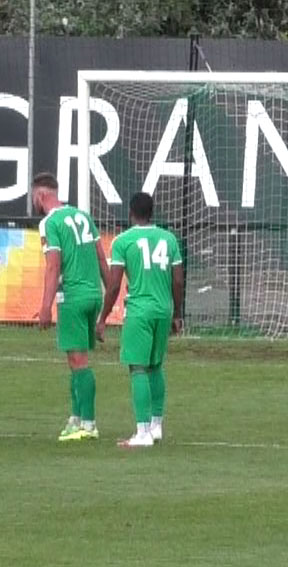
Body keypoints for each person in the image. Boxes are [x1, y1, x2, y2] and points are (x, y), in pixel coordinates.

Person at [101, 192, 184, 449]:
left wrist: (102, 317)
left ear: (131, 213)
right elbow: (178, 280)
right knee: (156, 365)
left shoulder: (123, 241)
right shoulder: (169, 238)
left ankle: (142, 433)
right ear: (152, 212)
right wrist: (177, 313)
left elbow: (114, 286)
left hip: (139, 310)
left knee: (137, 368)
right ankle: (156, 426)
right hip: (163, 310)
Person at [34, 172, 105, 440]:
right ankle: (76, 417)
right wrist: (107, 302)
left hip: (73, 297)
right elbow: (101, 258)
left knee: (80, 361)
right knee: (74, 360)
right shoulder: (82, 215)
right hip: (93, 295)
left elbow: (53, 266)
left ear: (41, 195)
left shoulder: (49, 223)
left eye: (35, 197)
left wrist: (45, 307)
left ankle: (88, 424)